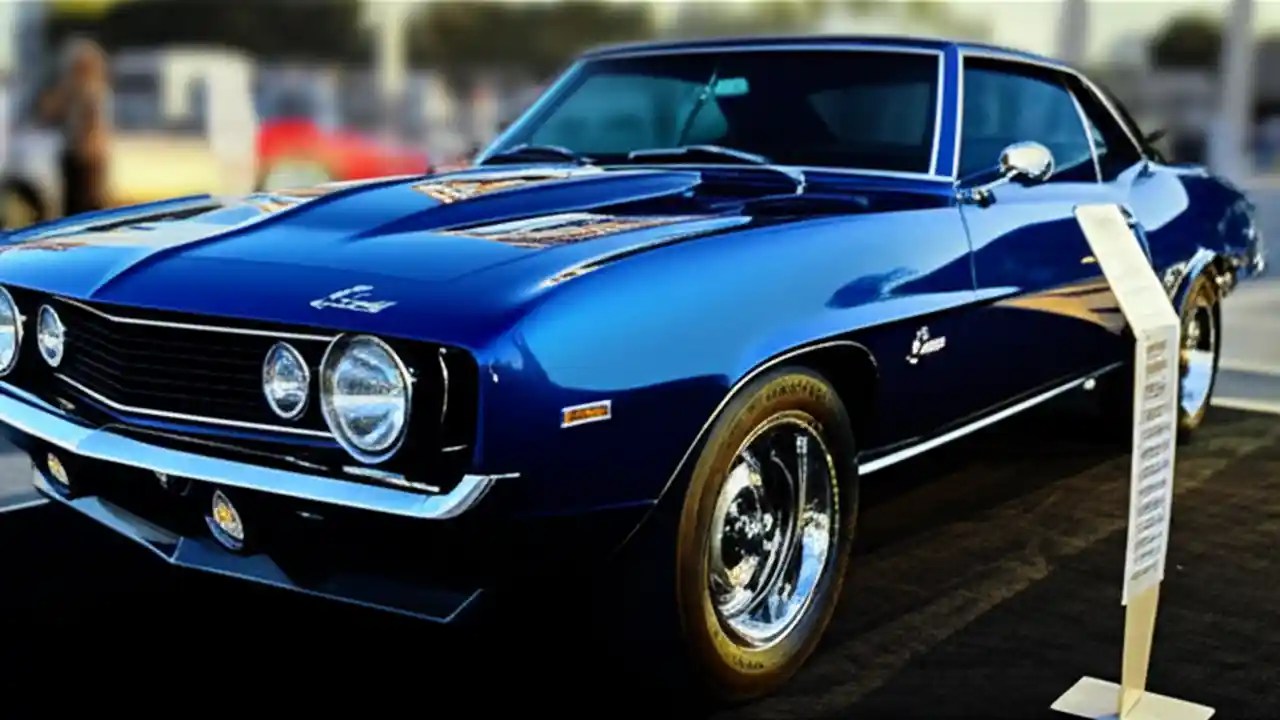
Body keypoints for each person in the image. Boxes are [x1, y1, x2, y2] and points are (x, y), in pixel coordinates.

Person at [42, 37, 111, 217]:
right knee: (75, 207)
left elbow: (90, 127)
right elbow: (49, 112)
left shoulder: (91, 92)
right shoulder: (76, 91)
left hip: (87, 160)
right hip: (77, 157)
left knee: (85, 206)